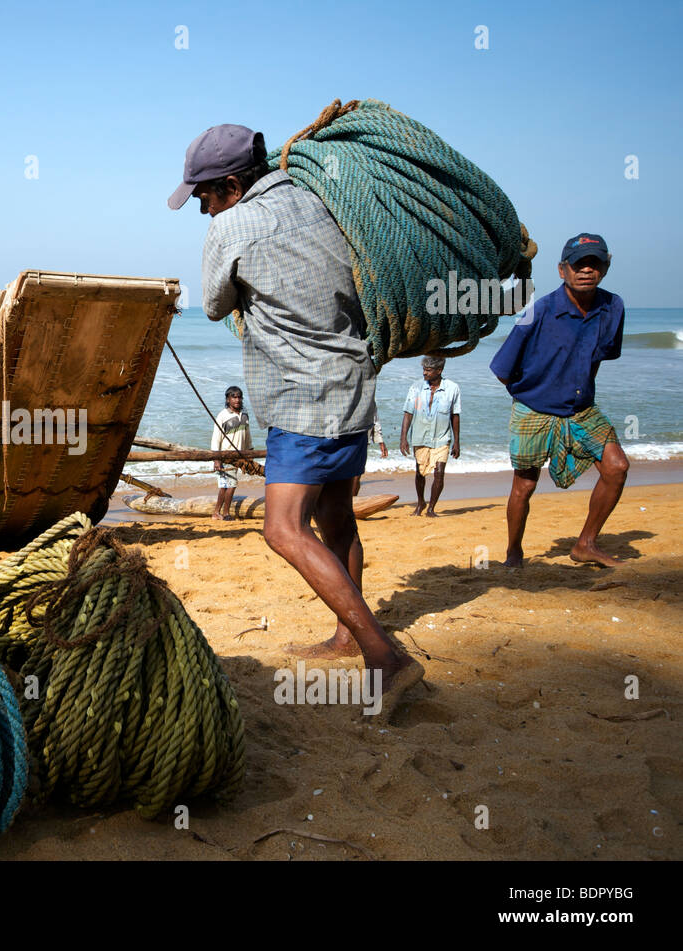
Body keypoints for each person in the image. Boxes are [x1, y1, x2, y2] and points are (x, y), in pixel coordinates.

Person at [170, 122, 422, 705]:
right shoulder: (316, 200)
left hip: (300, 395)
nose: (201, 209)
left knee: (282, 530)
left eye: (203, 196)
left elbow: (213, 305)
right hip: (353, 382)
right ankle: (346, 637)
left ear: (232, 186)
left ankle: (385, 655)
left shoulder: (231, 225)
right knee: (337, 520)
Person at [489, 233, 628, 568]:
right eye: (578, 264)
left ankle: (585, 544)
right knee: (524, 485)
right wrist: (532, 395)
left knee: (617, 467)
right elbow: (503, 368)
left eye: (594, 263)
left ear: (605, 269)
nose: (586, 270)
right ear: (562, 270)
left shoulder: (613, 307)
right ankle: (513, 553)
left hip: (580, 409)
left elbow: (602, 354)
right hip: (533, 408)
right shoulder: (539, 311)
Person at [399, 356, 461, 517]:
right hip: (420, 436)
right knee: (420, 472)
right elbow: (408, 413)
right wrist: (403, 438)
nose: (424, 373)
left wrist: (457, 442)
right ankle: (421, 502)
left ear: (439, 371)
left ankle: (431, 508)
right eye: (424, 369)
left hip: (442, 437)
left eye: (428, 370)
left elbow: (455, 416)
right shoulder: (416, 387)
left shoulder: (452, 388)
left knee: (439, 472)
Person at [211, 385, 252, 520]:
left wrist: (249, 453)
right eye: (233, 397)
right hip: (225, 456)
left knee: (224, 486)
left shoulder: (244, 414)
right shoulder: (223, 415)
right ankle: (226, 513)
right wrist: (217, 459)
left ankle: (216, 513)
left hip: (239, 456)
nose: (237, 400)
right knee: (232, 485)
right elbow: (216, 438)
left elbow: (247, 435)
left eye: (239, 397)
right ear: (228, 399)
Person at [352, 410, 388, 496]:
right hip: (345, 437)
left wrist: (380, 441)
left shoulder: (368, 397)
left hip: (362, 438)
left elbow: (374, 417)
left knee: (357, 474)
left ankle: (352, 501)